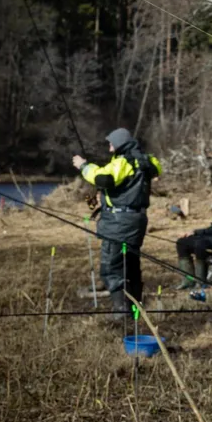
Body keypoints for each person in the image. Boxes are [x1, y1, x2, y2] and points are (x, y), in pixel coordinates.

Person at [73, 128, 163, 318]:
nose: (109, 146)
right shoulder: (147, 160)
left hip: (119, 222)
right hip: (137, 219)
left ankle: (121, 312)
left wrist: (83, 166)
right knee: (130, 263)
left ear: (120, 143)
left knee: (112, 266)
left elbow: (103, 178)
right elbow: (156, 169)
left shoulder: (124, 162)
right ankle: (135, 308)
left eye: (111, 142)